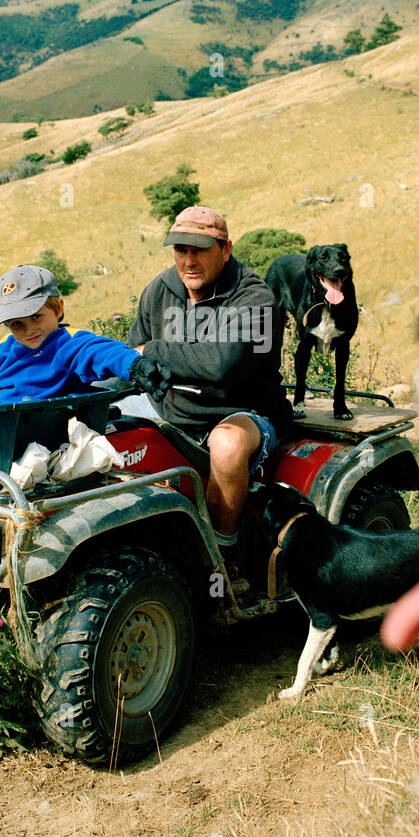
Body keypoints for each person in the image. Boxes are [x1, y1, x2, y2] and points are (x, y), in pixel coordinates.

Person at [128, 206, 291, 584]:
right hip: (171, 409)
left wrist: (154, 350)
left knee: (227, 444)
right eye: (180, 250)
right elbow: (131, 357)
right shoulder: (159, 290)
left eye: (200, 250)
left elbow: (221, 365)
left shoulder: (254, 298)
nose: (188, 261)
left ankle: (223, 556)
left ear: (226, 249)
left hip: (241, 411)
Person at [0, 264, 171, 406]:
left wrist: (133, 365)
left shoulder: (69, 344)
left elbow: (103, 352)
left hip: (38, 431)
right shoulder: (5, 348)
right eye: (16, 324)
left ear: (58, 309)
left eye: (36, 316)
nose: (28, 330)